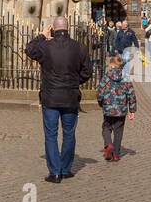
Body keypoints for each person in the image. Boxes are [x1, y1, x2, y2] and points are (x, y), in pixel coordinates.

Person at [25, 16, 93, 182]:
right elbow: (88, 71)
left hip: (51, 98)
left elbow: (28, 49)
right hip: (70, 97)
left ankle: (55, 171)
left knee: (51, 134)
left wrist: (41, 35)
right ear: (68, 29)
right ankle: (65, 169)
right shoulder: (79, 47)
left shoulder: (45, 47)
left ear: (53, 29)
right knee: (69, 133)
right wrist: (75, 82)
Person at [97, 55, 136, 161]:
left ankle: (108, 145)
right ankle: (116, 155)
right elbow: (131, 95)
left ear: (112, 66)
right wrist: (132, 110)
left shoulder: (106, 77)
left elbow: (100, 91)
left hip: (108, 108)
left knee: (106, 127)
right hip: (121, 110)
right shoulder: (126, 78)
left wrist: (101, 102)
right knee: (118, 131)